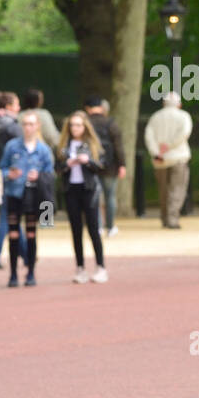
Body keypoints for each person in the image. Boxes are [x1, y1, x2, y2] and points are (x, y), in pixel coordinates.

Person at [0, 111, 54, 286]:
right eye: (25, 124)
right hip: (14, 194)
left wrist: (38, 176)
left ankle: (31, 273)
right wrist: (11, 173)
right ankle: (13, 274)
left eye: (32, 124)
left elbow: (50, 174)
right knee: (14, 234)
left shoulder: (43, 150)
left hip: (34, 196)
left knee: (31, 233)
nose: (28, 128)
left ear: (37, 126)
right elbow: (3, 168)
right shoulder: (12, 146)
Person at [57, 111, 108, 283]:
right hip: (71, 189)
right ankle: (80, 268)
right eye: (72, 125)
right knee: (76, 230)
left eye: (78, 125)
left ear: (85, 126)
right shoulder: (64, 145)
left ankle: (100, 266)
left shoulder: (92, 144)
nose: (75, 128)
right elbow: (57, 167)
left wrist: (88, 161)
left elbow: (101, 166)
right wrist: (67, 164)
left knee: (93, 229)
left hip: (89, 190)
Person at [144, 91, 193, 229]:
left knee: (163, 190)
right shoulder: (184, 116)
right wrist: (170, 145)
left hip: (160, 160)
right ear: (179, 104)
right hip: (178, 157)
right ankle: (172, 218)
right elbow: (184, 134)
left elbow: (149, 136)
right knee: (177, 189)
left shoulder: (155, 117)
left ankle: (164, 217)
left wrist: (156, 153)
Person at [84, 97, 126, 237]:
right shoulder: (111, 123)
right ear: (101, 108)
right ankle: (111, 226)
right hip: (110, 166)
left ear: (87, 108)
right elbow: (118, 146)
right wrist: (122, 165)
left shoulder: (86, 123)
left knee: (94, 197)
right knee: (110, 197)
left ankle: (98, 226)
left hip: (91, 166)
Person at [0, 92, 22, 271]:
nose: (18, 108)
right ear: (7, 107)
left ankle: (26, 253)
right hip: (7, 174)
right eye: (16, 104)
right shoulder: (13, 127)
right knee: (8, 216)